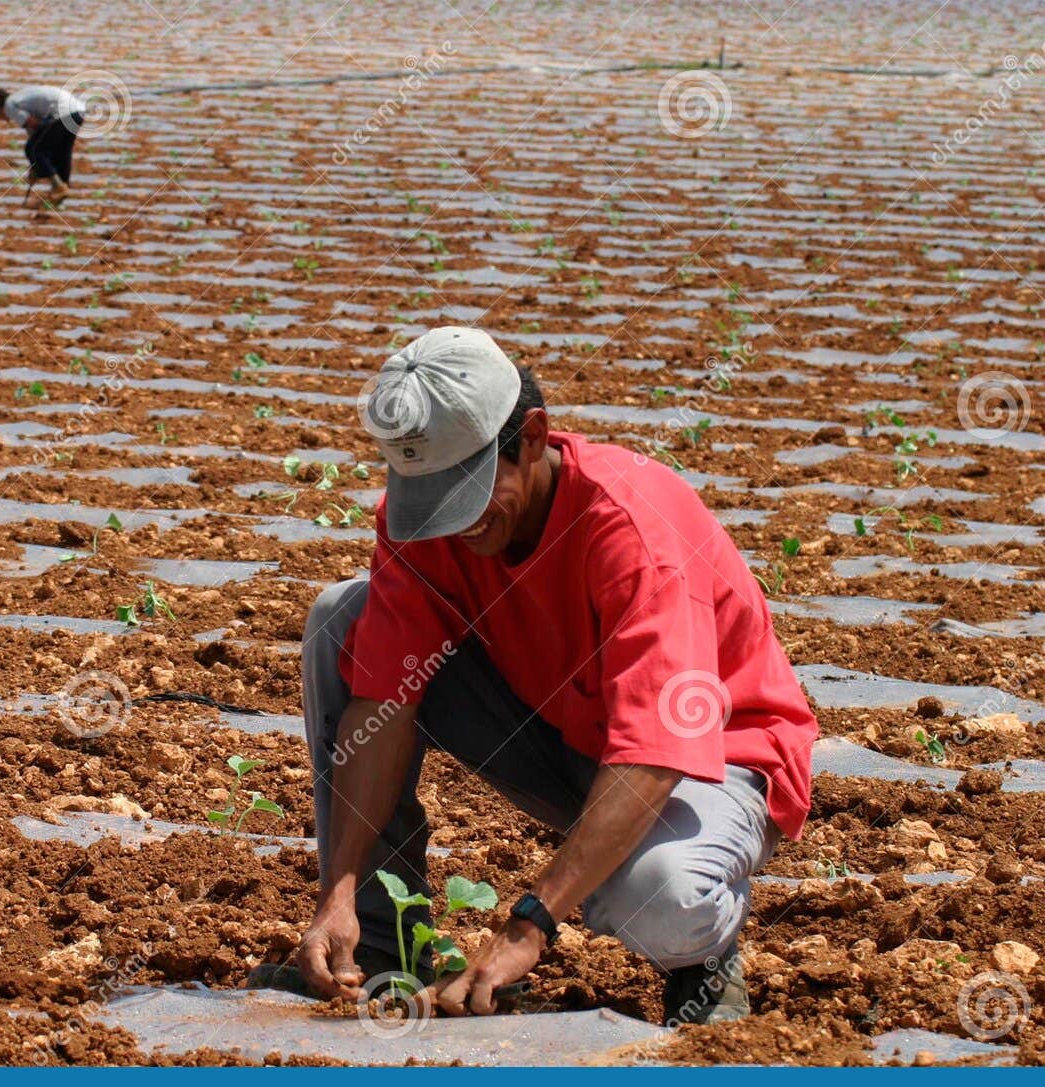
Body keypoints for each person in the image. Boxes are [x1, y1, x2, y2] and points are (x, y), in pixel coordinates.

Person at [268, 326, 818, 1026]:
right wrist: (338, 889)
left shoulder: (629, 529)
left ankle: (701, 962)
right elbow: (384, 695)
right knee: (342, 620)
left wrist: (529, 925)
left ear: (532, 435)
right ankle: (377, 943)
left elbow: (656, 750)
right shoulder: (429, 530)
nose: (453, 523)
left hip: (710, 759)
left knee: (663, 897)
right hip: (565, 732)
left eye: (468, 491)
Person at [0, 85, 86, 207]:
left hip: (62, 113)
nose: (2, 119)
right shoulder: (19, 97)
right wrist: (35, 167)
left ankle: (59, 187)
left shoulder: (9, 106)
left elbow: (35, 125)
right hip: (77, 111)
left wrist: (36, 167)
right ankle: (61, 192)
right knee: (62, 151)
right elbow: (36, 132)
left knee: (35, 150)